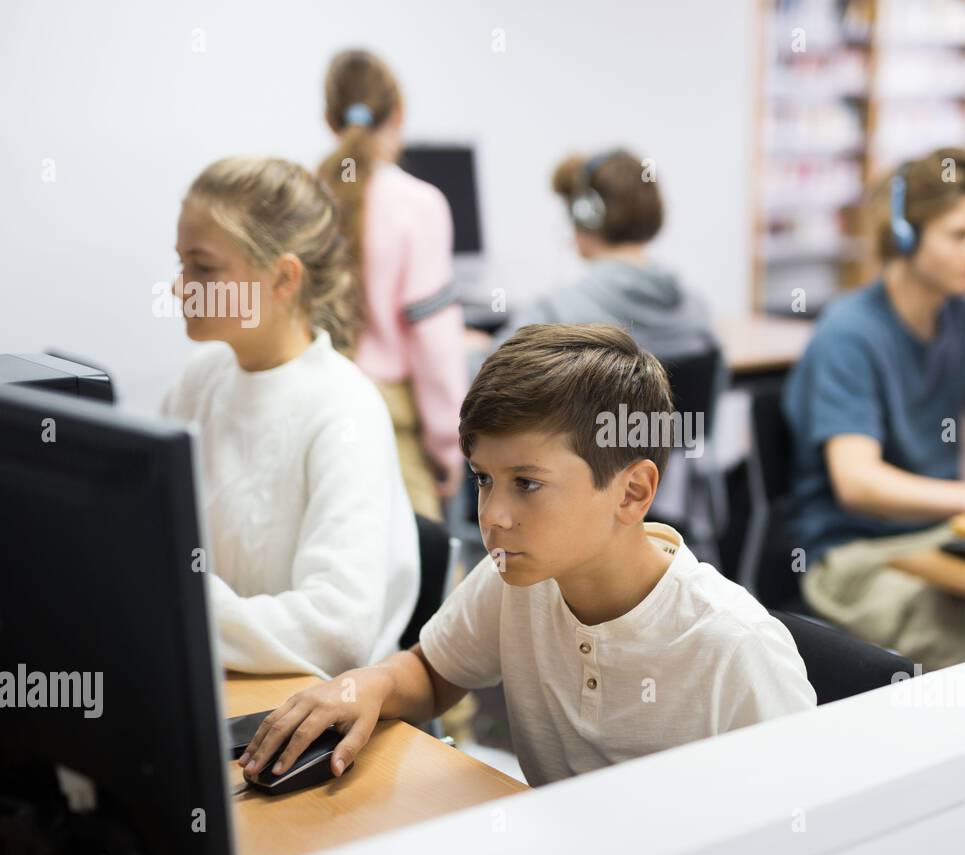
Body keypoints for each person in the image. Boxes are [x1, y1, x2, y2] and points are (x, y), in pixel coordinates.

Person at [240, 324, 815, 787]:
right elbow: (433, 672)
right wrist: (368, 686)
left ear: (632, 492)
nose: (492, 515)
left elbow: (813, 837)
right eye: (484, 479)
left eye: (527, 483)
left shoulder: (736, 650)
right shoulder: (517, 576)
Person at [784, 148, 965, 672]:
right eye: (961, 235)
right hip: (853, 559)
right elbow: (858, 483)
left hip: (942, 536)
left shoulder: (957, 318)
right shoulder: (850, 333)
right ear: (906, 236)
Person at [163, 155, 418, 678]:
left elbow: (336, 633)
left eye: (203, 268)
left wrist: (174, 603)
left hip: (316, 715)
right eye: (180, 263)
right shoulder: (200, 381)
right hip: (221, 680)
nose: (178, 287)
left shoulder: (344, 409)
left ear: (282, 279)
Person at [320, 49, 467, 520]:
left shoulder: (304, 192)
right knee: (427, 581)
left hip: (318, 404)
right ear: (398, 114)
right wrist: (449, 446)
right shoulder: (419, 204)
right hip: (390, 420)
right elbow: (435, 343)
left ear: (330, 118)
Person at [494, 149, 715, 359]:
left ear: (585, 214)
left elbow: (488, 377)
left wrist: (468, 348)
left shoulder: (555, 315)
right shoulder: (696, 310)